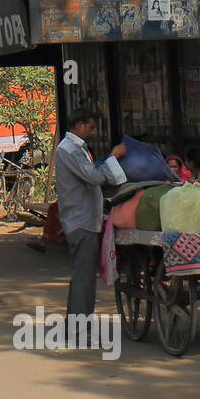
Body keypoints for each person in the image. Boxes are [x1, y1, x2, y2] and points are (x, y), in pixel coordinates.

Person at [54, 109, 127, 323]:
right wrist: (113, 157)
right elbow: (94, 177)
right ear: (79, 125)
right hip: (80, 221)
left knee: (84, 277)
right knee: (83, 278)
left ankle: (79, 324)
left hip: (84, 220)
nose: (94, 132)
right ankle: (78, 326)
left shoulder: (75, 149)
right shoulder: (69, 149)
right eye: (91, 127)